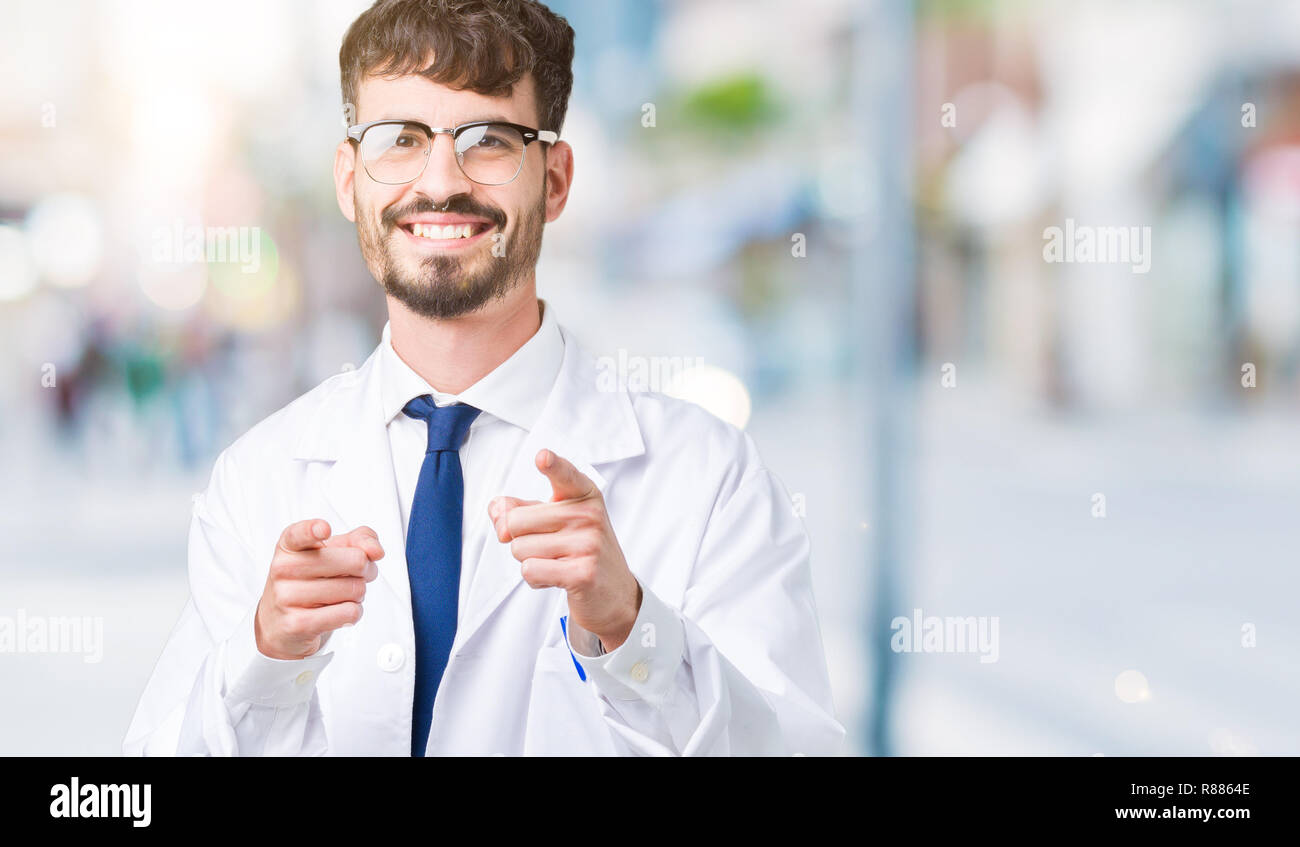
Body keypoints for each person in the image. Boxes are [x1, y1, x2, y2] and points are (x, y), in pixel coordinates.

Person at [123, 0, 843, 756]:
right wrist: (263, 659)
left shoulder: (706, 478)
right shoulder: (256, 484)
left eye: (489, 140)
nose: (441, 181)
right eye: (399, 140)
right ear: (349, 179)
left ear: (556, 179)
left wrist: (634, 630)